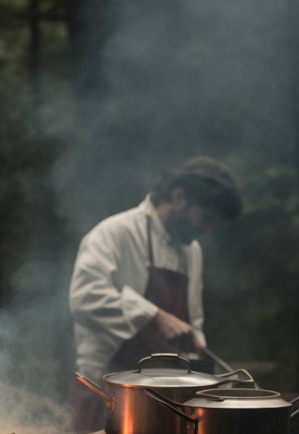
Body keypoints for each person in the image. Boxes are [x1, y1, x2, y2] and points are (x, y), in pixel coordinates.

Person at [70, 156, 244, 384]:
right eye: (205, 218)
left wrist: (198, 353)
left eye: (214, 223)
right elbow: (85, 297)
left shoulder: (192, 251)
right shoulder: (116, 232)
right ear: (178, 197)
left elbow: (194, 322)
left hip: (168, 394)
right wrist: (154, 316)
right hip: (104, 388)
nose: (208, 229)